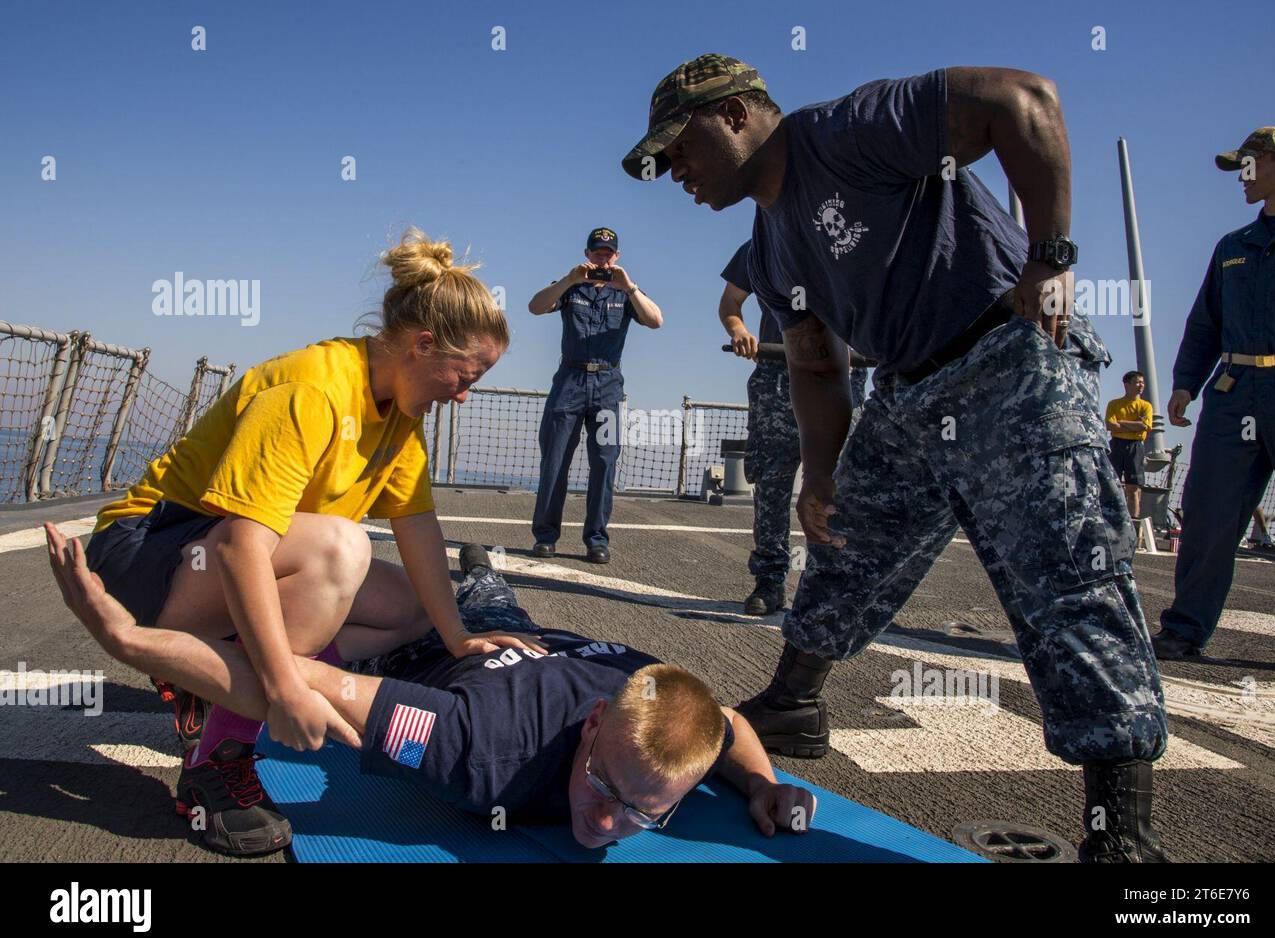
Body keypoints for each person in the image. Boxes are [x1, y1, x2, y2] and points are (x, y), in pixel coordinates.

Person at [623, 54, 1167, 862]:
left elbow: (1023, 100)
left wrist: (1050, 259)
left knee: (1066, 574)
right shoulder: (771, 247)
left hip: (1006, 356)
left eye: (679, 150)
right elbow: (813, 364)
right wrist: (824, 473)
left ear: (735, 113)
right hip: (910, 393)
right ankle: (794, 703)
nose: (675, 172)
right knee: (846, 543)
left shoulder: (844, 133)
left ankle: (1120, 832)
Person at [80, 227, 544, 856]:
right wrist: (279, 688)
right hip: (150, 549)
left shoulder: (401, 419)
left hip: (214, 560)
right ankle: (217, 757)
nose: (462, 395)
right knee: (340, 552)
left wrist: (457, 635)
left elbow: (419, 532)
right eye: (464, 377)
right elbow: (239, 548)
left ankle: (208, 677)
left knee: (410, 608)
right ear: (422, 344)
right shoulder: (313, 390)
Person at [47, 525, 818, 853]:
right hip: (431, 642)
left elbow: (719, 724)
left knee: (493, 596)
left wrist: (760, 782)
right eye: (605, 783)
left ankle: (482, 571)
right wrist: (130, 640)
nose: (607, 816)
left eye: (646, 812)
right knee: (405, 604)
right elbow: (303, 685)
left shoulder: (649, 709)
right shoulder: (480, 751)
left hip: (531, 635)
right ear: (590, 726)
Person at [1153, 127, 1275, 660]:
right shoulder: (1232, 247)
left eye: (1250, 164)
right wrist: (1186, 383)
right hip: (1234, 391)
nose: (1242, 176)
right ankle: (1184, 630)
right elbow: (1204, 324)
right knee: (1208, 511)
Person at [718, 240, 866, 615]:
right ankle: (769, 580)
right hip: (777, 374)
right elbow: (730, 302)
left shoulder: (853, 235)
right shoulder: (762, 247)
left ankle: (828, 585)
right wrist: (738, 330)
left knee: (840, 487)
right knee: (772, 482)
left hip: (842, 375)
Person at [527, 228, 664, 564]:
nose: (602, 259)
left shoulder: (626, 293)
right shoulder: (570, 287)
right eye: (597, 252)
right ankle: (546, 536)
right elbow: (535, 306)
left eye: (608, 253)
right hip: (570, 381)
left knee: (604, 462)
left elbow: (656, 320)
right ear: (587, 254)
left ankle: (596, 539)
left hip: (607, 385)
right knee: (555, 460)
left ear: (616, 256)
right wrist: (569, 280)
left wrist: (628, 286)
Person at [1104, 371, 1153, 518]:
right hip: (1116, 445)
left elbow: (1144, 426)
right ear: (1127, 384)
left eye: (1142, 383)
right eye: (1137, 382)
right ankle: (1112, 517)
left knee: (1133, 487)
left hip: (1135, 446)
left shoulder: (1145, 406)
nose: (1141, 385)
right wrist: (1133, 425)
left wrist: (1122, 423)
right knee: (1113, 484)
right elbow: (1110, 425)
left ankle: (1134, 521)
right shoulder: (1114, 404)